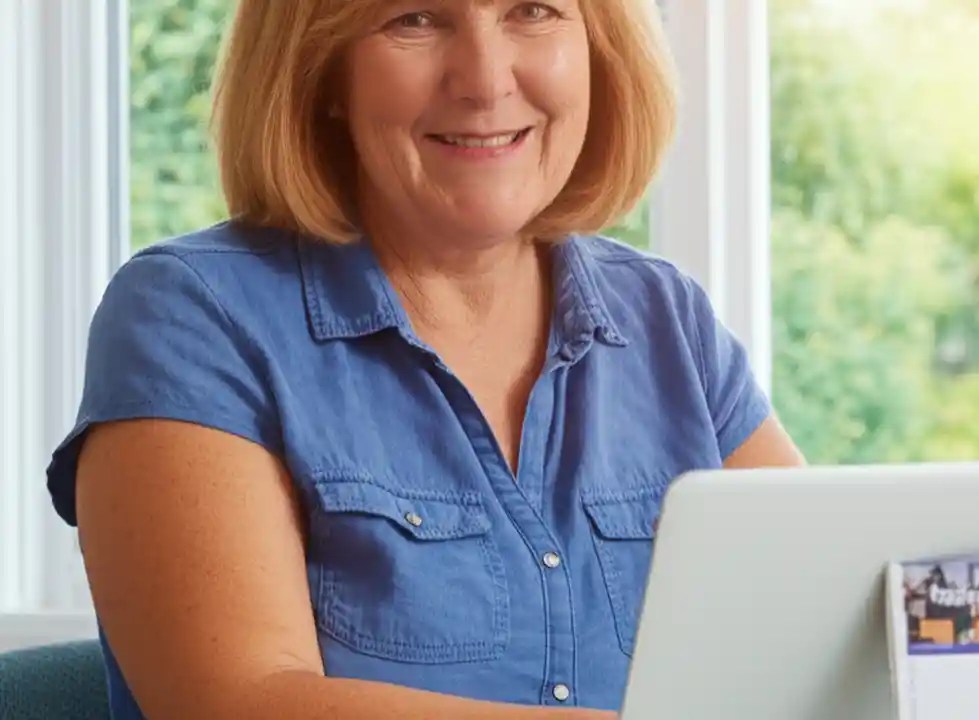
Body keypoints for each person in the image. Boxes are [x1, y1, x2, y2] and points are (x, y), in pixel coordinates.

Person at [45, 2, 805, 719]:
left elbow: (841, 609)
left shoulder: (666, 318)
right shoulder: (190, 315)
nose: (484, 80)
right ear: (322, 69)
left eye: (532, 10)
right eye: (415, 18)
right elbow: (240, 702)